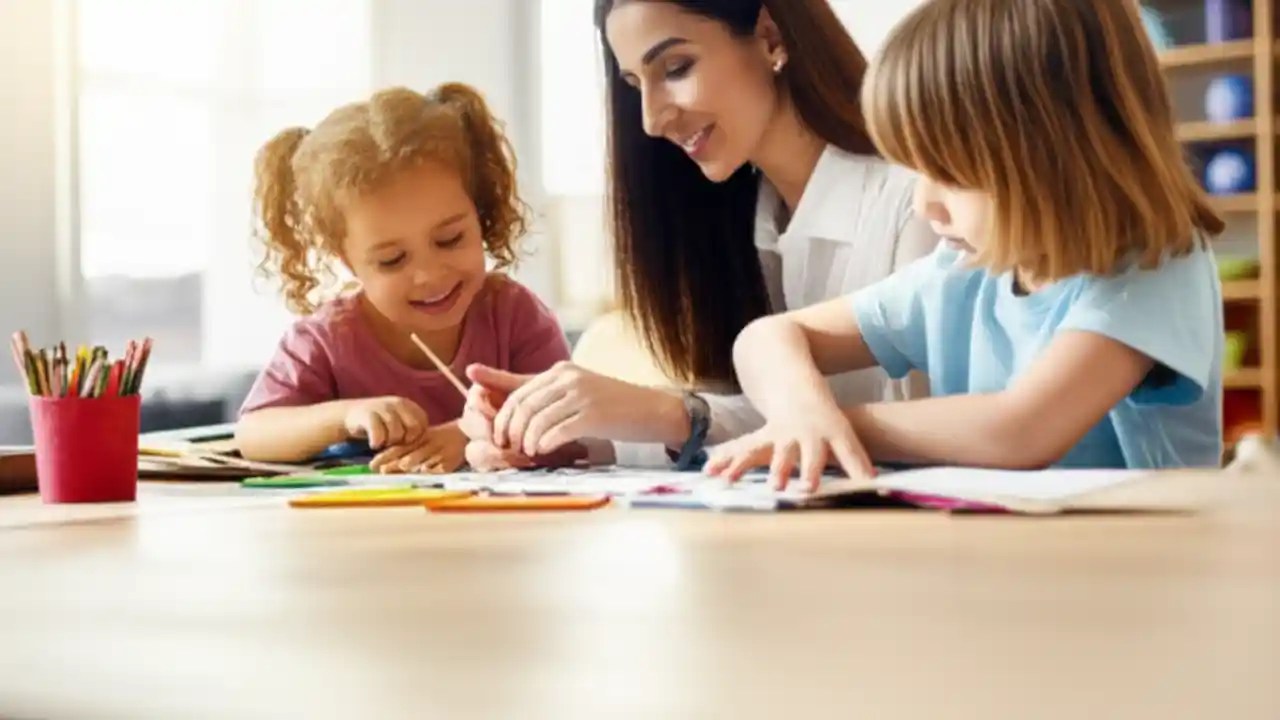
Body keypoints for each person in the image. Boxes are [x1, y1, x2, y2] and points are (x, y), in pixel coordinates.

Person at [707, 0, 1225, 490]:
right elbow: (768, 338)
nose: (924, 207)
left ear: (1055, 158)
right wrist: (803, 411)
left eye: (950, 174)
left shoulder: (1158, 265)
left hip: (1146, 570)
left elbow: (1022, 429)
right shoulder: (962, 273)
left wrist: (840, 424)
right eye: (917, 171)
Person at [462, 0, 940, 471]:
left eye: (675, 68)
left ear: (770, 38)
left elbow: (950, 423)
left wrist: (664, 413)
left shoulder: (921, 205)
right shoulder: (757, 222)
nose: (651, 120)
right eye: (634, 86)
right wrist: (576, 435)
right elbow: (782, 420)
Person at [235, 84, 571, 472]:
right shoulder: (327, 341)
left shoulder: (514, 317)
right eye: (392, 260)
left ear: (479, 214)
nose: (429, 275)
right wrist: (345, 416)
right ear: (348, 261)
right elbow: (253, 434)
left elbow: (574, 434)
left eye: (450, 239)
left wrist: (467, 435)